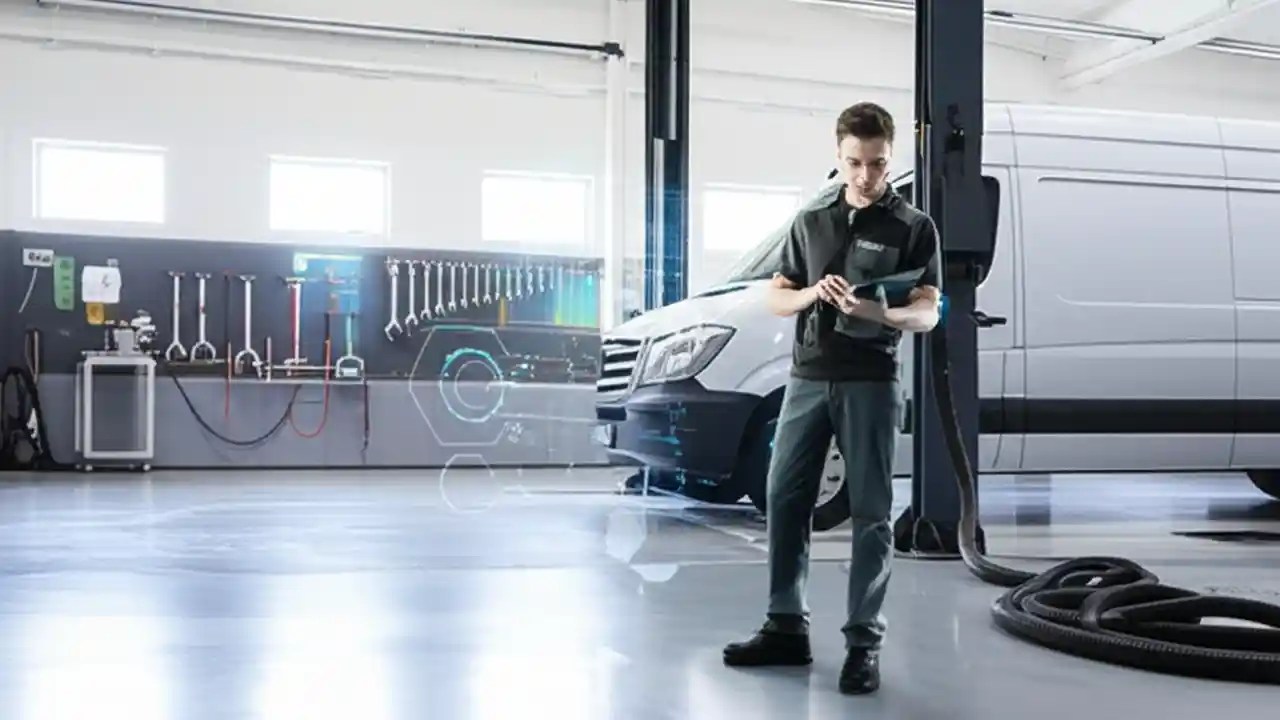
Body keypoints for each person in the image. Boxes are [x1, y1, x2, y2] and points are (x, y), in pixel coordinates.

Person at [721, 101, 942, 695]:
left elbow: (928, 311)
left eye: (877, 164)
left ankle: (863, 644)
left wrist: (880, 312)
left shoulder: (914, 226)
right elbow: (775, 295)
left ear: (891, 156)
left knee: (871, 513)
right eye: (854, 163)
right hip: (807, 378)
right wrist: (812, 293)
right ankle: (785, 627)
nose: (866, 176)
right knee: (785, 498)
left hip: (871, 381)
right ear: (838, 154)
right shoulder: (812, 218)